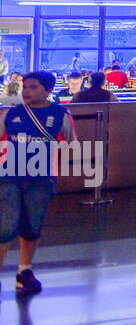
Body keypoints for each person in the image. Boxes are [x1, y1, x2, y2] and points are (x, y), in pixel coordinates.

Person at [0, 71, 77, 297]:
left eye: (33, 87)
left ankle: (24, 272)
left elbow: (71, 142)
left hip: (41, 178)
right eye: (25, 87)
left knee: (31, 226)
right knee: (5, 227)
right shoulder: (10, 113)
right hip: (8, 176)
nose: (26, 91)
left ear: (47, 90)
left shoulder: (61, 115)